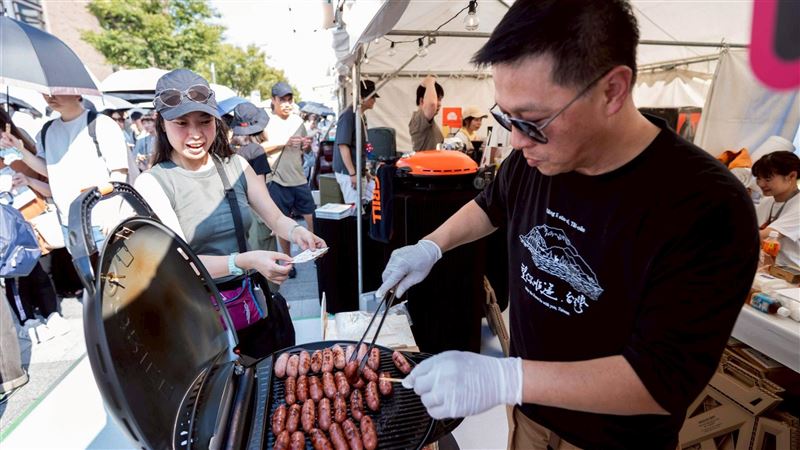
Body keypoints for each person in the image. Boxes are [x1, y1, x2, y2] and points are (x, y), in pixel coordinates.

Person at [376, 2, 760, 449]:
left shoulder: (705, 205)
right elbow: (490, 205)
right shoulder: (531, 160)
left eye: (534, 122)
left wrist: (506, 377)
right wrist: (431, 246)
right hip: (529, 417)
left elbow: (662, 380)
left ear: (613, 90)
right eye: (507, 118)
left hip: (613, 439)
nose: (517, 141)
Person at [133, 69, 325, 358]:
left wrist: (298, 232)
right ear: (162, 124)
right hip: (199, 322)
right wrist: (247, 260)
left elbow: (275, 218)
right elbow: (180, 265)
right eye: (181, 123)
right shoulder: (152, 182)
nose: (195, 134)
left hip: (250, 306)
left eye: (204, 121)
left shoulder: (235, 166)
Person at [0, 93, 129, 251]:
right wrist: (20, 149)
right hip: (68, 222)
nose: (50, 98)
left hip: (102, 218)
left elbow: (119, 172)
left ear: (76, 93)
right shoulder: (47, 130)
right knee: (85, 274)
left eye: (57, 93)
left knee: (114, 272)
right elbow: (50, 171)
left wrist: (112, 212)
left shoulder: (101, 124)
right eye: (46, 94)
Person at [264, 81, 316, 278]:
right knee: (282, 224)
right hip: (276, 179)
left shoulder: (298, 121)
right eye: (282, 100)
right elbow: (259, 149)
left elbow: (305, 150)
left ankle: (316, 254)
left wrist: (307, 145)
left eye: (289, 99)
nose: (286, 104)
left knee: (311, 217)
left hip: (299, 178)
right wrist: (282, 143)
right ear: (274, 100)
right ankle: (287, 262)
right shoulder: (266, 121)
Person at [229, 102, 278, 258]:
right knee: (266, 262)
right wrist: (273, 220)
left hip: (236, 213)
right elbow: (260, 191)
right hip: (257, 213)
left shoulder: (228, 149)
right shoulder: (256, 150)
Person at [333, 80, 379, 205]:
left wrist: (364, 171)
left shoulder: (359, 116)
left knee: (362, 207)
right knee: (354, 210)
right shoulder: (348, 116)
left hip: (356, 171)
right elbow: (343, 146)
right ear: (363, 98)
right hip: (349, 173)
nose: (374, 100)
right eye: (373, 97)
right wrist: (352, 173)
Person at [752, 151, 800, 269]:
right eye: (758, 178)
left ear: (791, 176)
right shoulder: (767, 201)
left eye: (767, 179)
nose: (761, 184)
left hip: (791, 275)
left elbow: (765, 236)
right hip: (767, 269)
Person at [409, 75, 445, 151]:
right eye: (437, 99)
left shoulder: (426, 120)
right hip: (425, 162)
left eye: (440, 100)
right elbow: (431, 104)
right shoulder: (418, 118)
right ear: (422, 101)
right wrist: (430, 80)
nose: (439, 104)